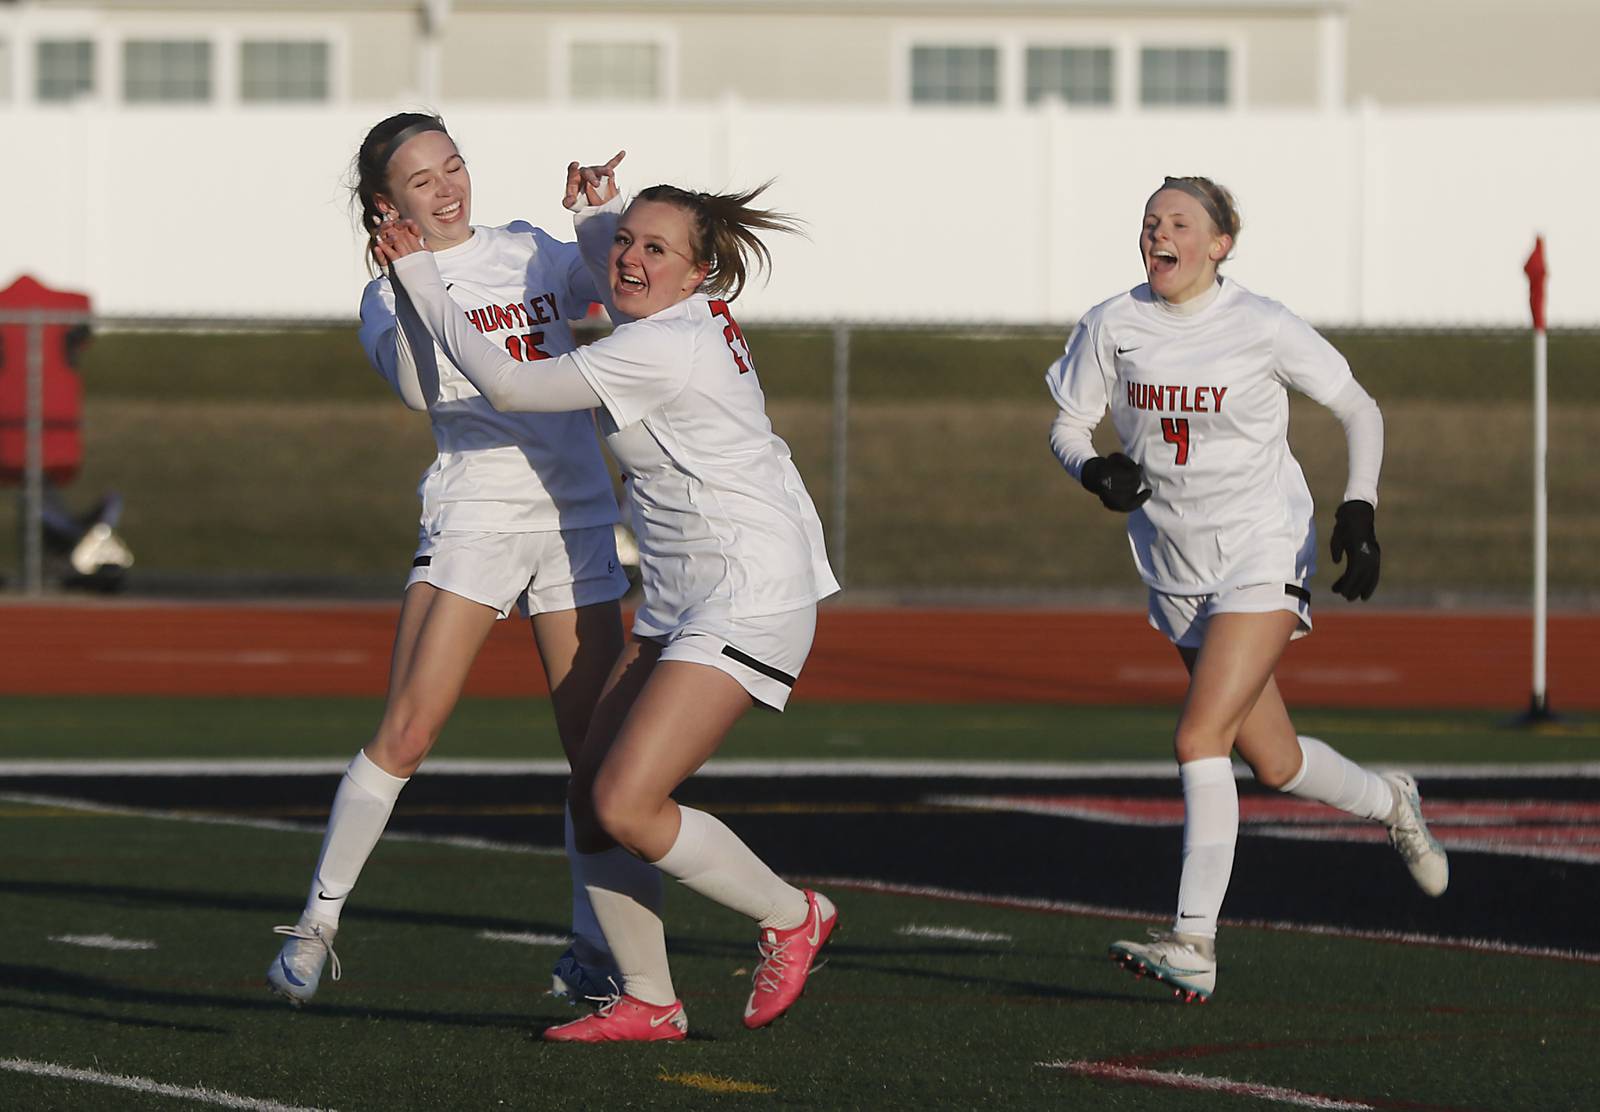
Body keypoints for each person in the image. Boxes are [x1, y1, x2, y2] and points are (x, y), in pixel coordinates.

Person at [371, 176, 840, 1042]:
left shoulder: (663, 344)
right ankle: (650, 1000)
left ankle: (792, 913)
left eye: (653, 249)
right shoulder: (666, 311)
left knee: (627, 802)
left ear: (703, 276)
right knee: (592, 795)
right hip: (682, 596)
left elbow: (511, 388)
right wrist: (599, 216)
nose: (627, 259)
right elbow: (623, 266)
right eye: (626, 240)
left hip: (747, 592)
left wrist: (425, 282)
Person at [266, 112, 646, 1007]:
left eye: (454, 166)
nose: (448, 189)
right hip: (476, 518)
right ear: (384, 204)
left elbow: (624, 296)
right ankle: (317, 921)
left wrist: (605, 213)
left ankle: (595, 950)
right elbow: (419, 386)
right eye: (423, 181)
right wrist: (410, 277)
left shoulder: (529, 250)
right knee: (409, 731)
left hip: (578, 521)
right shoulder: (383, 293)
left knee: (596, 757)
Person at [1045, 175, 1448, 1003]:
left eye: (1181, 223)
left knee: (1200, 740)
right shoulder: (1112, 324)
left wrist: (1361, 507)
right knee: (1275, 759)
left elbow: (1357, 406)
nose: (1161, 234)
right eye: (1151, 222)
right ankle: (1392, 802)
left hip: (1262, 548)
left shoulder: (1260, 324)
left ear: (1220, 244)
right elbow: (1065, 424)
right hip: (1174, 565)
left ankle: (1194, 939)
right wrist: (1093, 469)